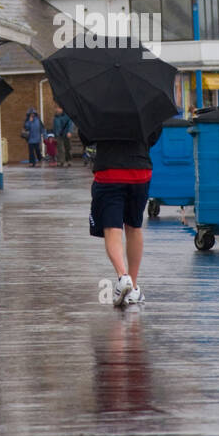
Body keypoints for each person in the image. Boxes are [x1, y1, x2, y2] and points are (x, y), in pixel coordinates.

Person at [86, 126, 162, 308]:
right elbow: (154, 133)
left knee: (112, 227)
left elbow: (87, 135)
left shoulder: (100, 101)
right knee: (134, 226)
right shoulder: (143, 100)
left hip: (109, 170)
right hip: (140, 170)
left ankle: (123, 276)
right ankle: (133, 287)